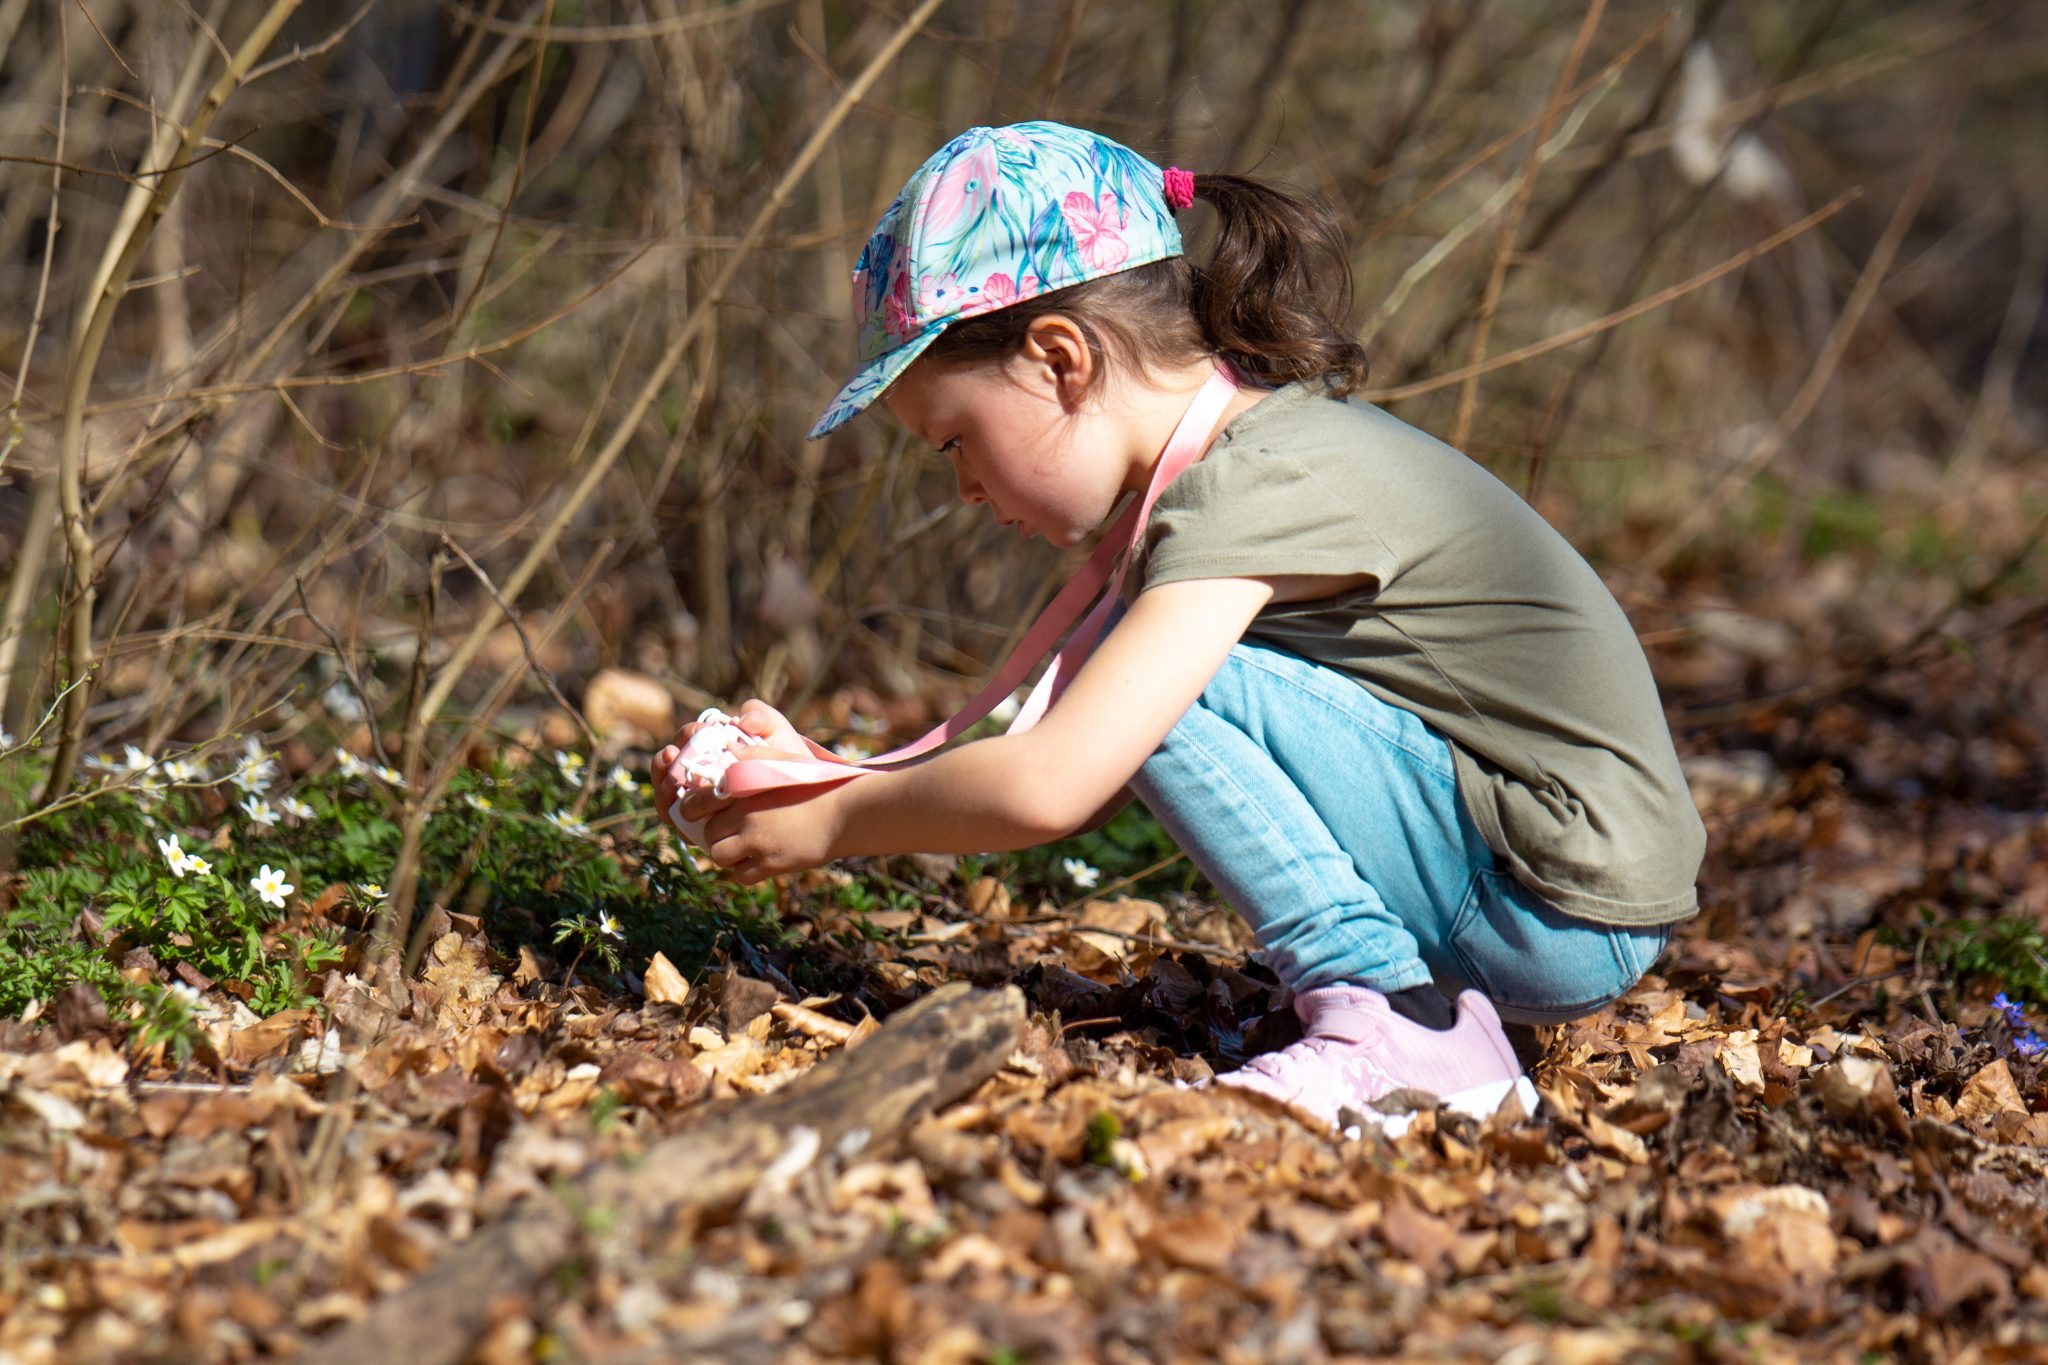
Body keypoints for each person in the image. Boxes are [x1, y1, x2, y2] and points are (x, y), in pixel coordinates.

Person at [654, 121, 1706, 1131]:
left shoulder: (1250, 487)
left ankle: (1400, 1022)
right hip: (1549, 886)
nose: (966, 487)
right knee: (1132, 674)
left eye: (953, 442)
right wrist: (825, 775)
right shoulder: (1248, 460)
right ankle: (1409, 1010)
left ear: (1061, 360)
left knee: (1136, 678)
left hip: (1551, 903)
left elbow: (1048, 781)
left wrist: (833, 822)